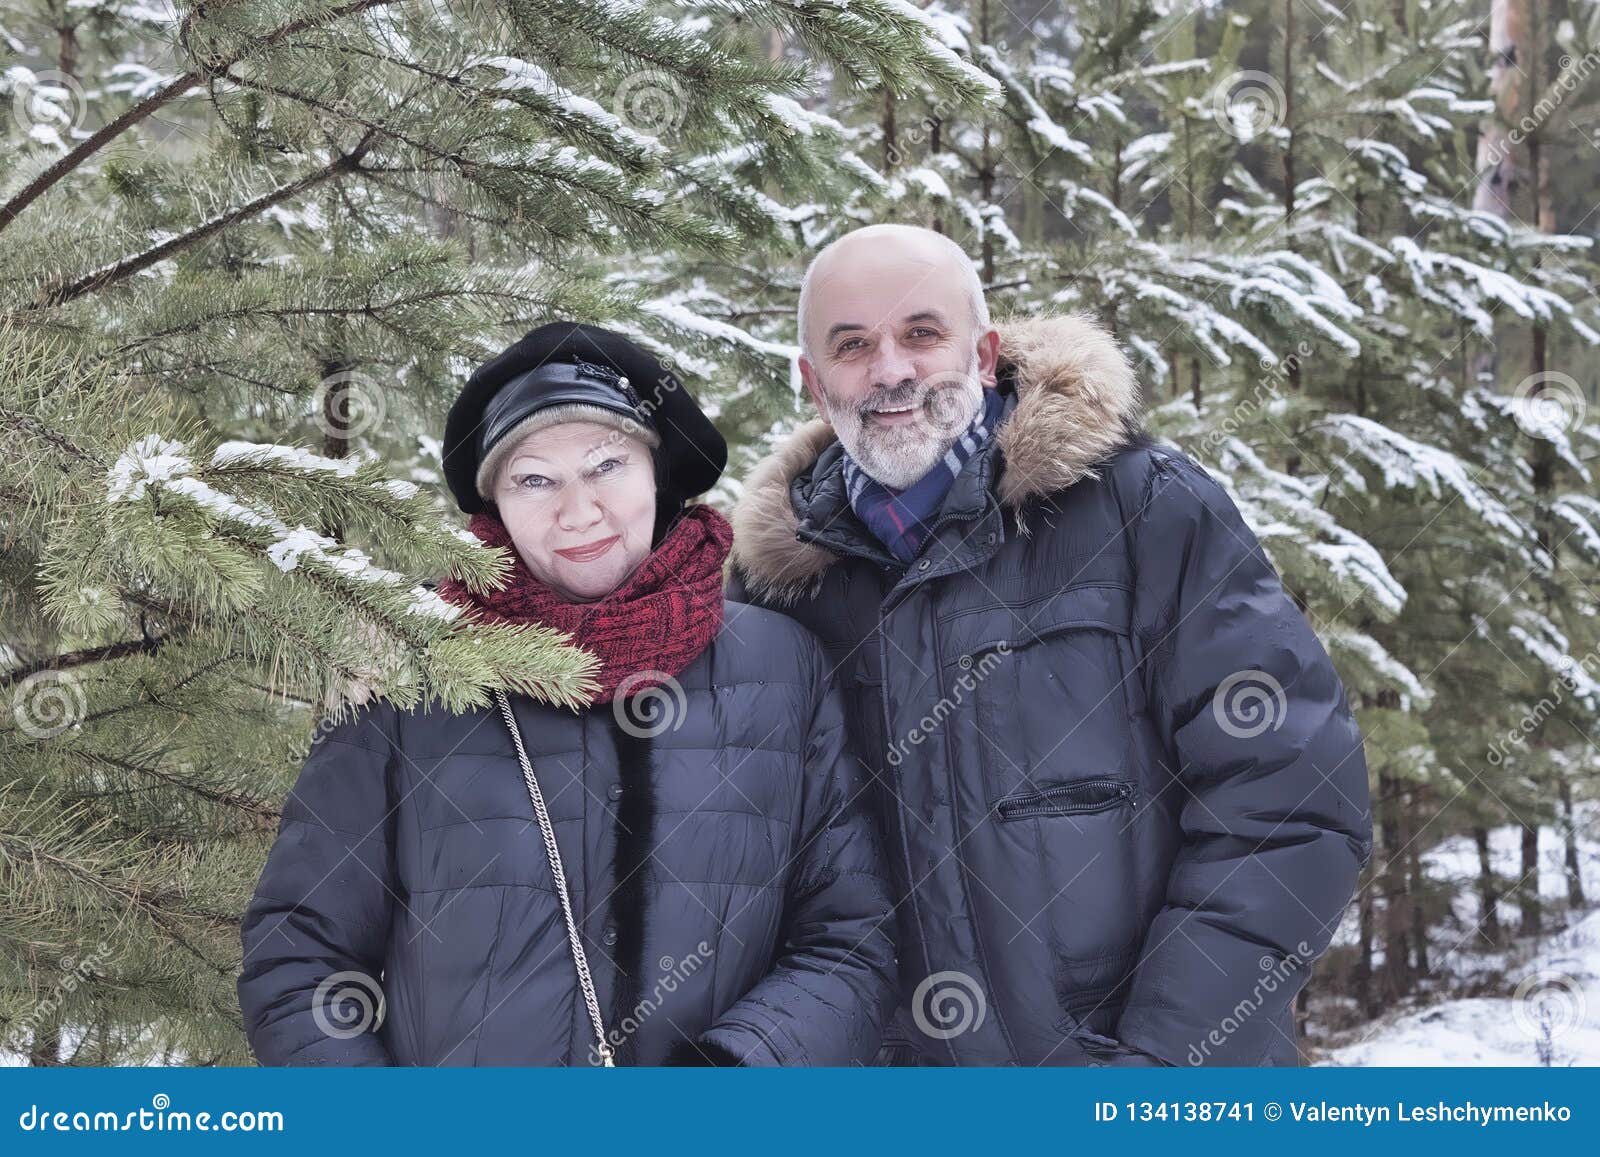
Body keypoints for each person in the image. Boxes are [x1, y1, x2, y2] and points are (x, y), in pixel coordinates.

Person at [727, 224, 1373, 1066]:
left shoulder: (1142, 508)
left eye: (922, 333)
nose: (890, 370)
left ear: (983, 354)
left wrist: (1161, 1065)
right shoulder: (777, 591)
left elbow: (1292, 800)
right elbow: (753, 884)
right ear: (815, 384)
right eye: (852, 346)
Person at [238, 322, 896, 1066]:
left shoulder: (781, 664)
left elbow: (848, 936)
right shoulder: (411, 670)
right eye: (533, 479)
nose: (578, 511)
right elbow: (299, 956)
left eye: (607, 464)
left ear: (659, 473)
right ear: (494, 505)